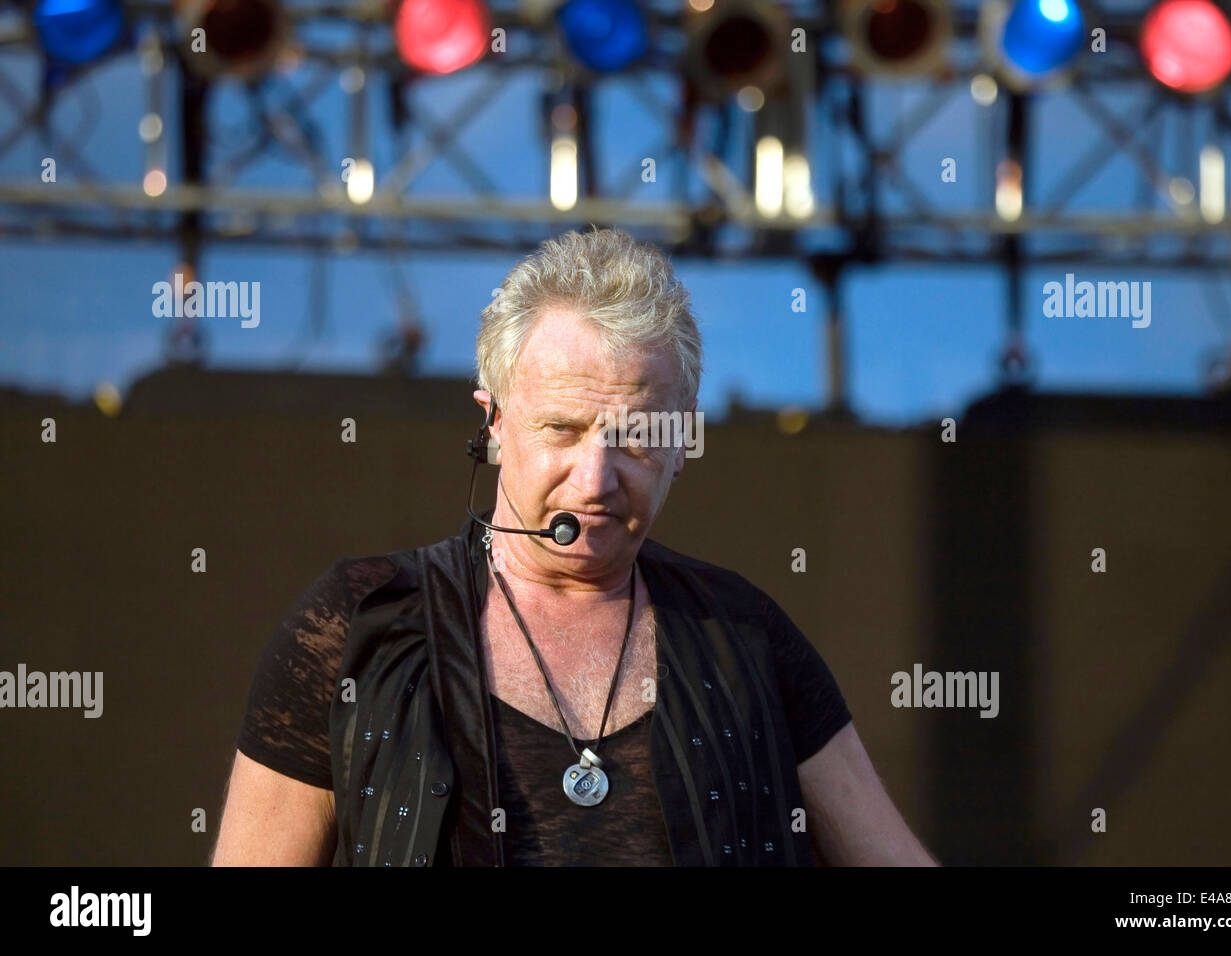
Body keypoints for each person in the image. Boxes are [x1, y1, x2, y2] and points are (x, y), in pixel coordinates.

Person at [212, 226, 937, 867]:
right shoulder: (358, 625)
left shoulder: (745, 636)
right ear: (493, 423)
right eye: (562, 429)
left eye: (633, 437)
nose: (596, 480)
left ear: (683, 439)